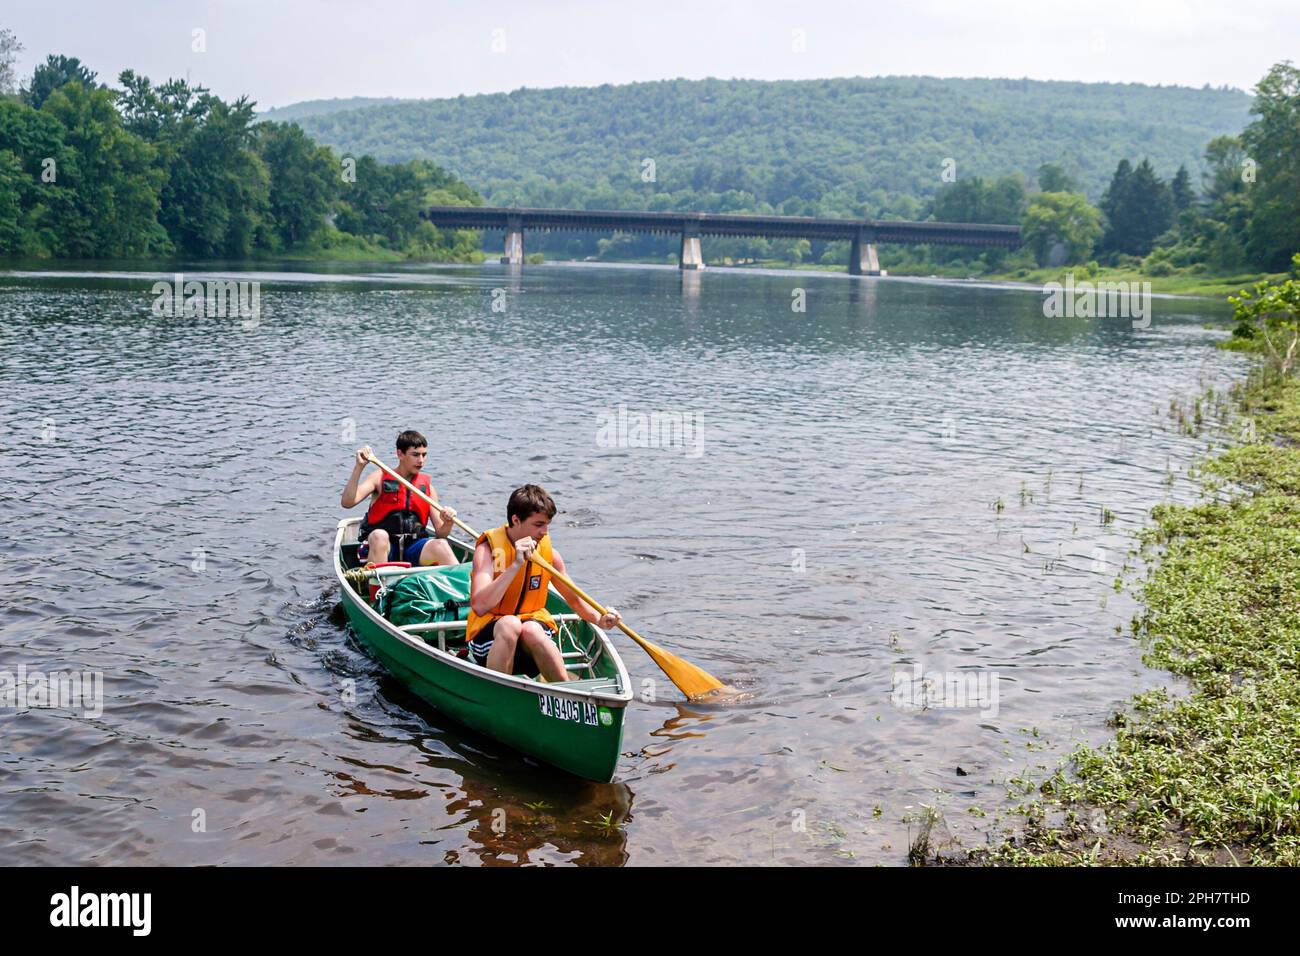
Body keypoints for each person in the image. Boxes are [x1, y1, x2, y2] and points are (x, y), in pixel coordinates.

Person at [466, 484, 620, 682]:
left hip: (531, 640)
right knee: (510, 624)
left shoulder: (549, 556)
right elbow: (479, 606)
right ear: (515, 520)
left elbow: (573, 599)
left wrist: (600, 618)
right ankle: (499, 690)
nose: (545, 532)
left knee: (531, 629)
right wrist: (515, 566)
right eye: (538, 525)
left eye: (547, 525)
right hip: (490, 641)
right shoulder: (487, 551)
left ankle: (566, 692)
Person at [340, 431, 458, 567]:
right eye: (415, 455)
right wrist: (359, 467)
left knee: (441, 545)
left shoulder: (428, 488)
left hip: (413, 547)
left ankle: (463, 586)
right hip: (384, 547)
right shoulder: (378, 478)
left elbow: (441, 533)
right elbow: (347, 502)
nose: (421, 460)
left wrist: (448, 522)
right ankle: (377, 587)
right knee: (379, 536)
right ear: (400, 454)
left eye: (424, 455)